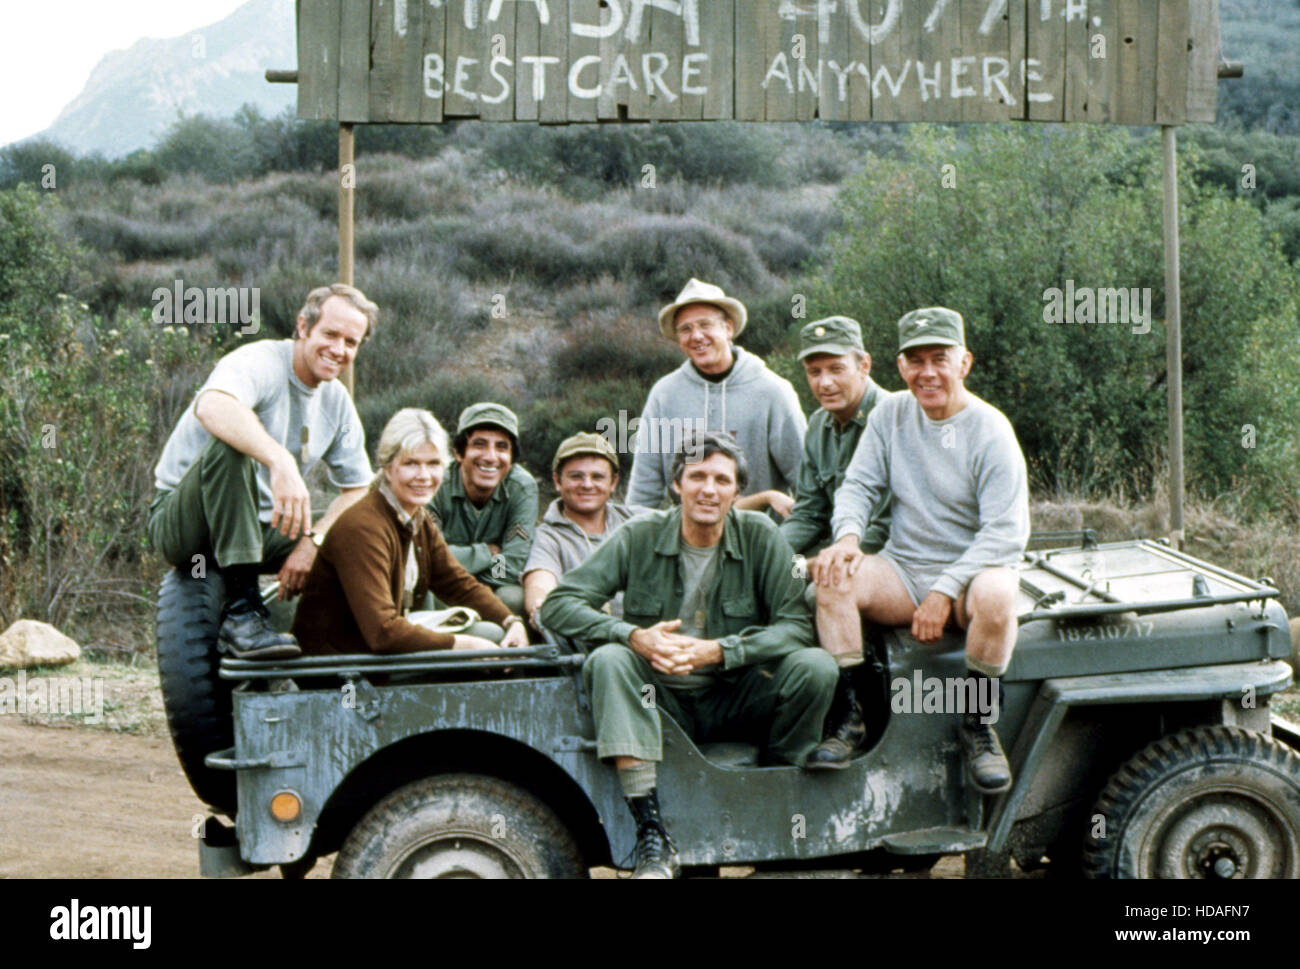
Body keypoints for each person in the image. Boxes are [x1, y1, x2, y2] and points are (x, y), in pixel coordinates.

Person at [541, 431, 838, 879]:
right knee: (609, 659)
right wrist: (631, 634)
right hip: (660, 705)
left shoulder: (760, 535)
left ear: (737, 490)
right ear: (677, 485)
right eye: (697, 476)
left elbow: (795, 626)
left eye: (722, 479)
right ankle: (651, 834)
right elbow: (557, 604)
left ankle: (780, 811)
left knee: (816, 667)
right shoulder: (639, 534)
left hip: (735, 695)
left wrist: (720, 651)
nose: (708, 489)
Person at [813, 308, 1030, 791]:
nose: (927, 372)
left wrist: (945, 590)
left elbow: (1005, 534)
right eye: (915, 360)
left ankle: (977, 725)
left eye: (939, 359)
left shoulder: (991, 430)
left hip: (972, 575)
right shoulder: (890, 414)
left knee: (998, 598)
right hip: (905, 567)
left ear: (964, 363)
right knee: (832, 578)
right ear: (900, 365)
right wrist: (847, 537)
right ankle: (850, 718)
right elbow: (859, 484)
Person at [148, 283, 378, 660]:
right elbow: (212, 407)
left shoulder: (336, 401)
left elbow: (357, 488)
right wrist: (280, 461)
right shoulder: (259, 361)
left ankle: (339, 654)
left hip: (258, 526)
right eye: (331, 334)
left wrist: (313, 542)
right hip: (188, 523)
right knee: (230, 445)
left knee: (358, 535)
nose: (339, 350)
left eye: (351, 343)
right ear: (303, 327)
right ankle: (243, 612)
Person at [292, 408, 529, 655]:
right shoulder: (363, 527)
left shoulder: (415, 517)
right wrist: (461, 645)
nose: (424, 476)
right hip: (341, 665)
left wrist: (511, 620)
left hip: (374, 644)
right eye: (411, 464)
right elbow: (383, 633)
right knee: (483, 644)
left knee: (496, 633)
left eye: (433, 464)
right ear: (387, 466)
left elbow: (457, 583)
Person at [777, 316, 893, 770]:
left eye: (835, 369)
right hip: (832, 550)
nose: (824, 382)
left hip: (885, 558)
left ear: (863, 364)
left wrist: (806, 565)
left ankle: (851, 717)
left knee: (811, 591)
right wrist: (769, 556)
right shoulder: (820, 427)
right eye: (813, 372)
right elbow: (807, 509)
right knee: (765, 584)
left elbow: (884, 524)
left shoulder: (893, 417)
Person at [625, 279, 805, 513]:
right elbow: (644, 486)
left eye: (705, 325)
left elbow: (805, 479)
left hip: (758, 538)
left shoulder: (772, 391)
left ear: (728, 328)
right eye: (686, 329)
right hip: (686, 540)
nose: (697, 336)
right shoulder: (664, 394)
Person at [522, 432, 646, 635]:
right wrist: (541, 606)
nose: (587, 485)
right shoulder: (547, 536)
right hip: (589, 640)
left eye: (597, 477)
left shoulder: (640, 520)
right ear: (557, 481)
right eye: (576, 476)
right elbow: (539, 583)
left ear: (613, 482)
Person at [430, 403, 538, 617]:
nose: (490, 457)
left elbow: (513, 563)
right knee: (431, 597)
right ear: (459, 453)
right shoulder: (436, 482)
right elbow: (431, 561)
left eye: (501, 447)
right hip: (441, 586)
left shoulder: (522, 487)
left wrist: (471, 571)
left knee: (513, 598)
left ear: (513, 458)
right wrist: (487, 553)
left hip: (494, 585)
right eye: (479, 445)